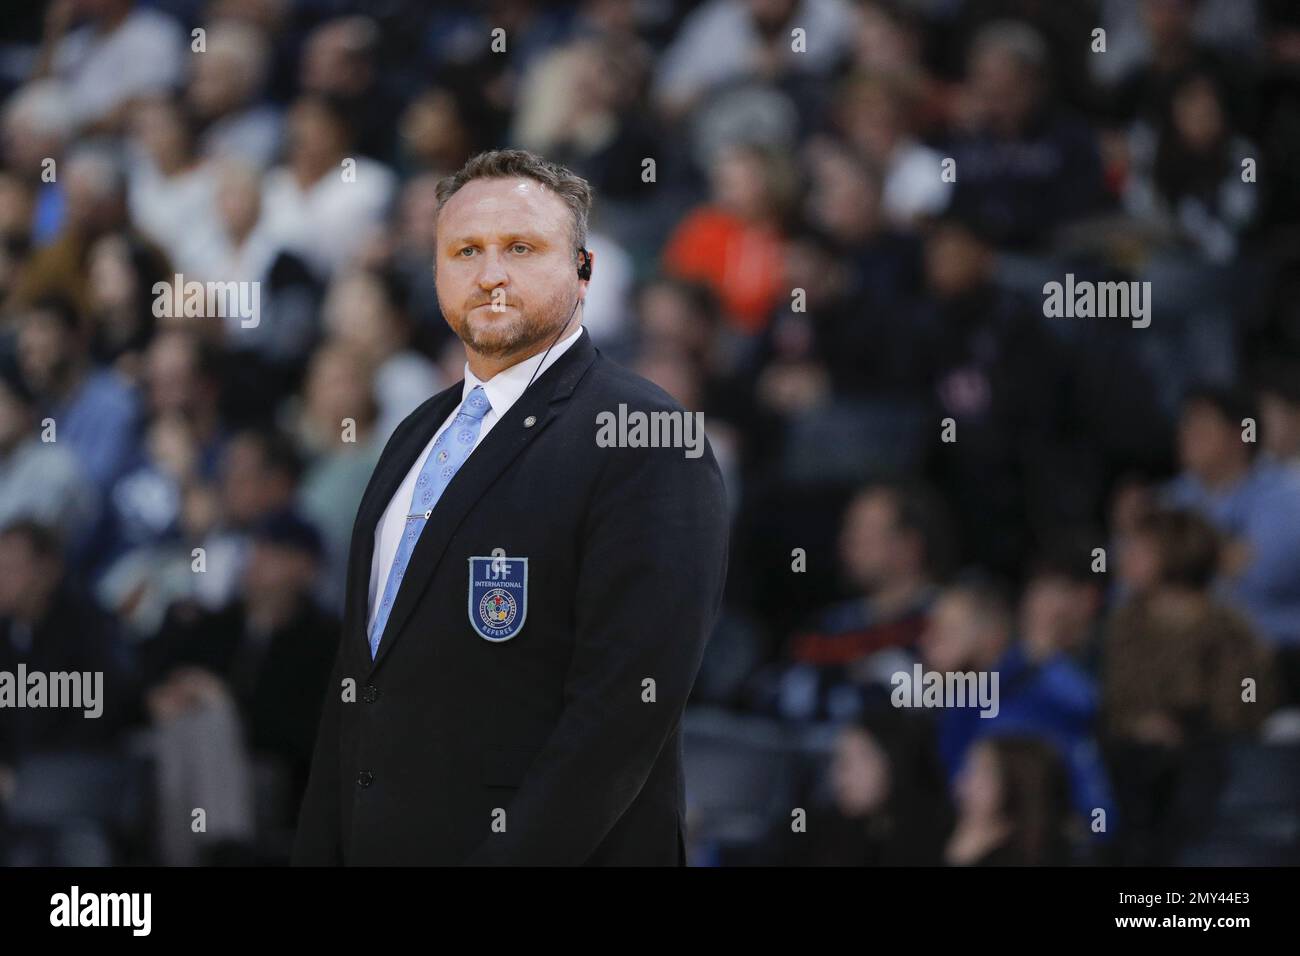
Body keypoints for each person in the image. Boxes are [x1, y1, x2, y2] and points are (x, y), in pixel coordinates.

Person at [292, 149, 729, 866]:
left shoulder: (648, 438)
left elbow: (619, 716)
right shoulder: (411, 435)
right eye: (465, 251)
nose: (490, 274)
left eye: (520, 248)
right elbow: (355, 691)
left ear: (584, 271)